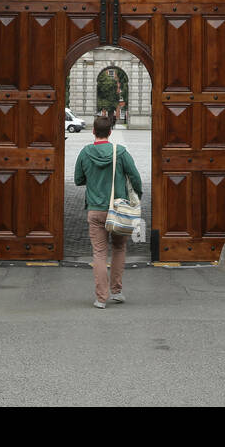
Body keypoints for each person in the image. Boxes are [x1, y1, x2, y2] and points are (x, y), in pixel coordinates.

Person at [73, 114, 143, 309]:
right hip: (118, 210)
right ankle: (117, 291)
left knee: (99, 253)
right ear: (110, 132)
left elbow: (78, 179)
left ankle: (101, 298)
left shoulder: (85, 152)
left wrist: (94, 181)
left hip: (95, 211)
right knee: (119, 249)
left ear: (93, 131)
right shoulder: (120, 152)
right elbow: (135, 177)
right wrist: (138, 195)